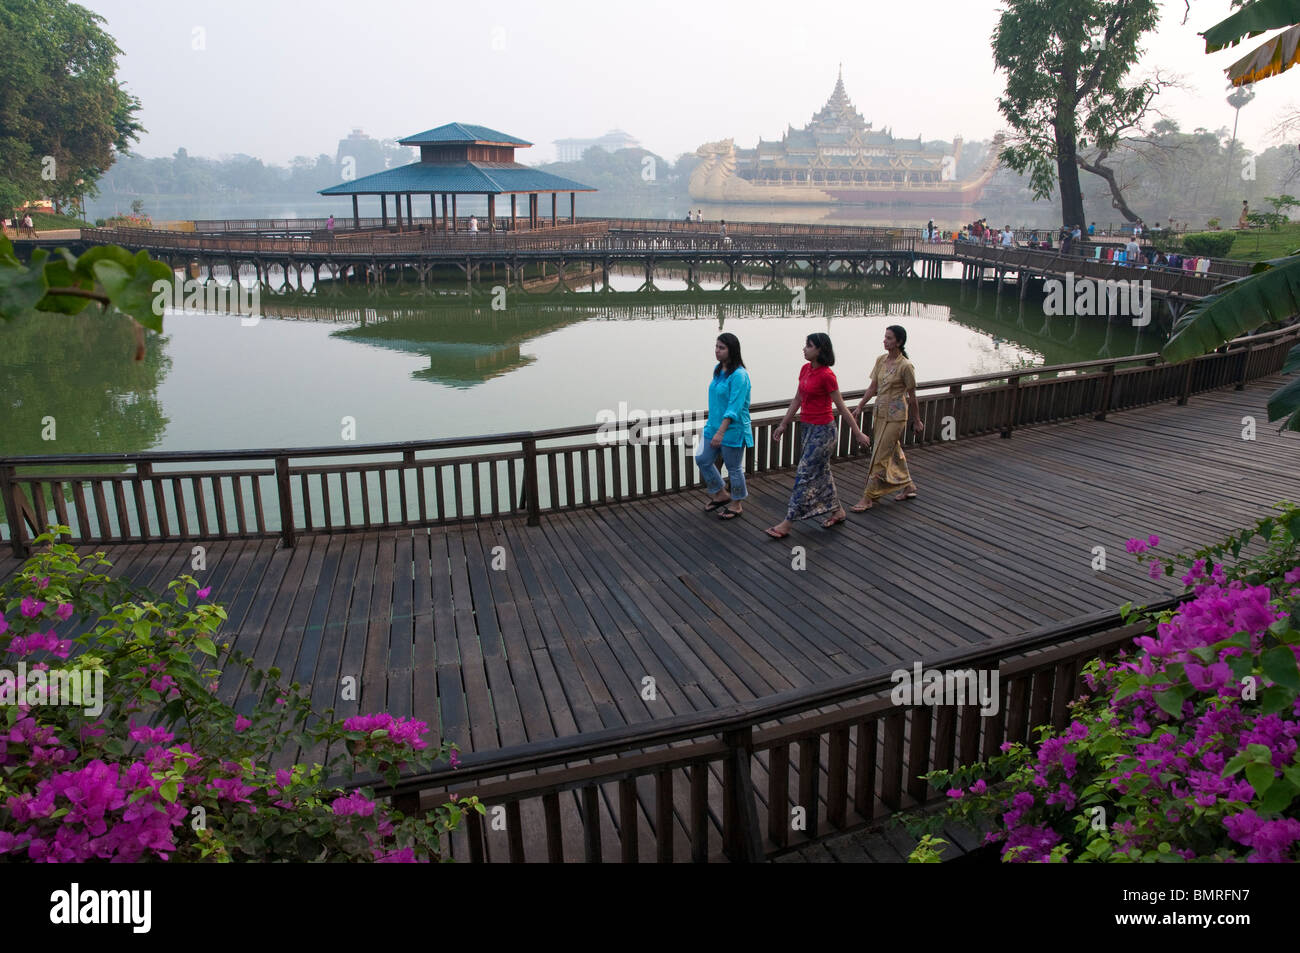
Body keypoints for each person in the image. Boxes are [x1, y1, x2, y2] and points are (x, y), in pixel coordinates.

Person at [765, 334, 871, 538]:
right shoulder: (805, 369)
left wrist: (858, 433)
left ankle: (787, 523)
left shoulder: (827, 375)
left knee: (804, 474)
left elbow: (840, 406)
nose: (804, 349)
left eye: (808, 346)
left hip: (824, 433)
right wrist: (783, 424)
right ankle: (837, 511)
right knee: (822, 473)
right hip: (807, 429)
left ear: (820, 350)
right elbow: (797, 399)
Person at [851, 326, 923, 510]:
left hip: (897, 416)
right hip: (880, 414)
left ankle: (869, 497)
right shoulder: (881, 360)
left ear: (899, 342)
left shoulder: (906, 366)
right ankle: (908, 486)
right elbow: (872, 387)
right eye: (885, 337)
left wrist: (917, 420)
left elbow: (912, 396)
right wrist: (860, 406)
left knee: (880, 455)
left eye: (889, 338)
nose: (885, 340)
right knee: (892, 450)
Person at [696, 333, 753, 520]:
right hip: (713, 426)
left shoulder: (740, 376)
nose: (717, 351)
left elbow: (734, 407)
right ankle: (720, 493)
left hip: (732, 430)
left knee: (733, 467)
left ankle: (737, 504)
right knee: (702, 458)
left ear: (732, 350)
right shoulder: (718, 370)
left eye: (722, 348)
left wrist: (721, 432)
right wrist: (715, 429)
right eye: (716, 346)